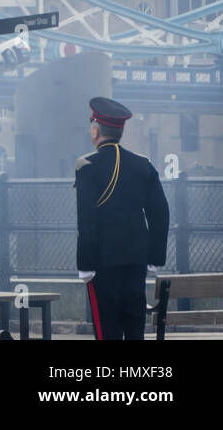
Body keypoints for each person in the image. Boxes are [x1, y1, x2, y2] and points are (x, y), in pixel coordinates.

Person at [76, 97, 170, 340]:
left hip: (102, 265)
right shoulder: (143, 165)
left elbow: (87, 219)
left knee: (107, 332)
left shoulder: (87, 165)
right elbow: (160, 213)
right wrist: (154, 257)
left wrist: (85, 264)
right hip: (136, 262)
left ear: (96, 130)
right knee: (134, 329)